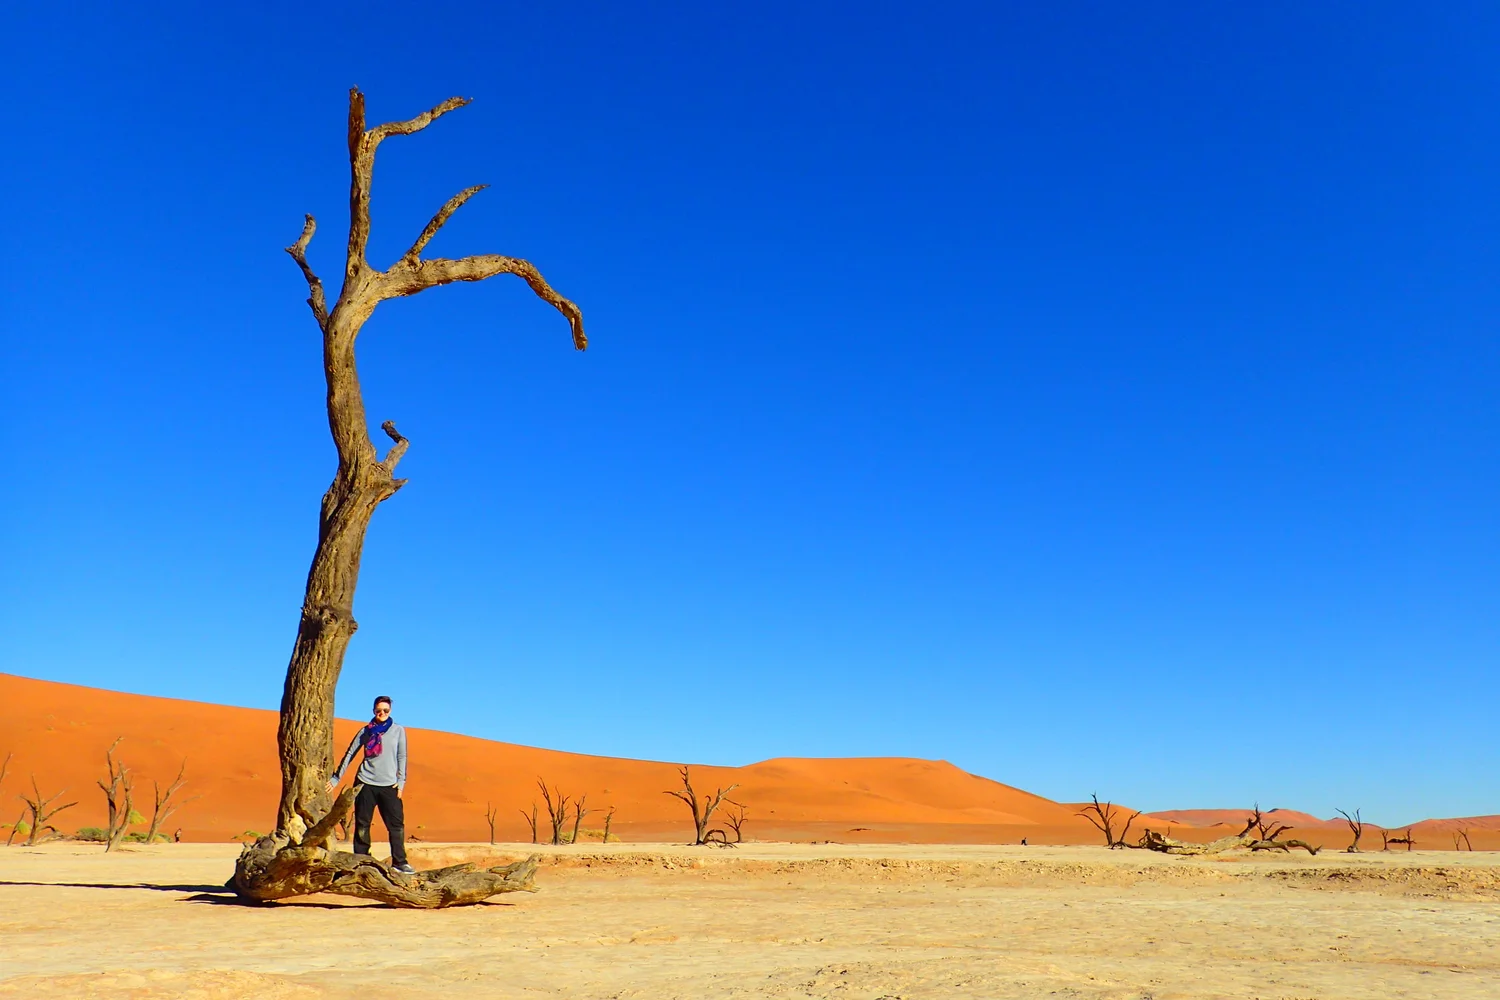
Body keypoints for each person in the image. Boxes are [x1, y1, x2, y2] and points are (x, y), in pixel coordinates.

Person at [327, 695, 414, 874]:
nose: (382, 713)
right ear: (373, 711)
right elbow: (350, 753)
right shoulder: (365, 731)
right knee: (362, 823)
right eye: (378, 710)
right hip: (365, 782)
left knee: (396, 825)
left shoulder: (398, 731)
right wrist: (336, 778)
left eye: (385, 710)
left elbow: (402, 757)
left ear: (390, 711)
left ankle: (400, 862)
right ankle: (361, 860)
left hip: (389, 785)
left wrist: (401, 782)